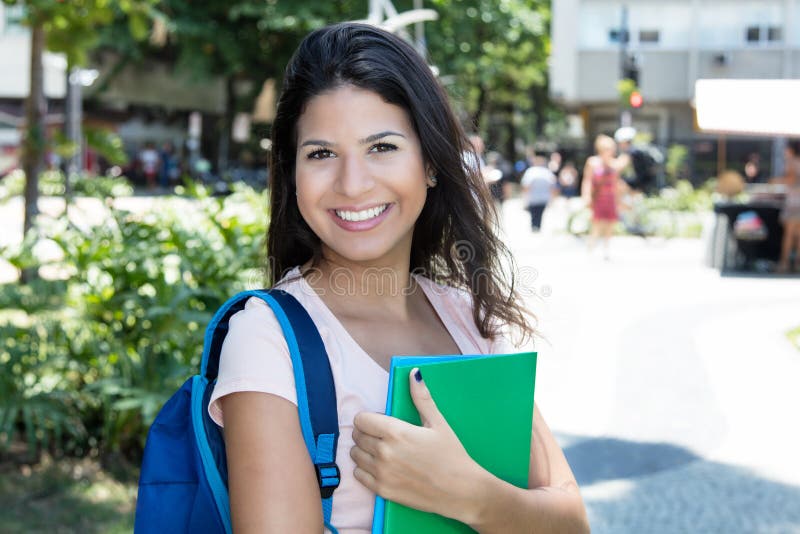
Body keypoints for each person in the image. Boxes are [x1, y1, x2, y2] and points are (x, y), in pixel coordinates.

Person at [207, 23, 588, 533]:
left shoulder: (467, 317)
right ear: (292, 173)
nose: (353, 183)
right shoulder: (267, 338)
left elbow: (572, 521)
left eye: (381, 147)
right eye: (321, 154)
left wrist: (468, 494)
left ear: (430, 162)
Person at [582, 134, 629, 259]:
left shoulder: (614, 164)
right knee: (597, 224)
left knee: (610, 224)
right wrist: (586, 196)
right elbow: (587, 180)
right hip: (598, 198)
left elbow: (616, 181)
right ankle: (591, 247)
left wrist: (620, 200)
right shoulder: (592, 162)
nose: (611, 151)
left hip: (611, 198)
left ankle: (606, 248)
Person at [771, 141, 800, 272]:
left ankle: (784, 263)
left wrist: (775, 181)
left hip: (794, 202)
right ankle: (797, 263)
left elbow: (791, 179)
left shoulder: (792, 162)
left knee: (788, 234)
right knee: (798, 234)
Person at [520, 154, 557, 231]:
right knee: (540, 213)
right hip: (544, 197)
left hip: (532, 197)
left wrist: (524, 197)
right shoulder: (547, 172)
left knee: (533, 213)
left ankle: (534, 226)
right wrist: (552, 198)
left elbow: (526, 185)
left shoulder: (530, 171)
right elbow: (552, 186)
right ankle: (537, 226)